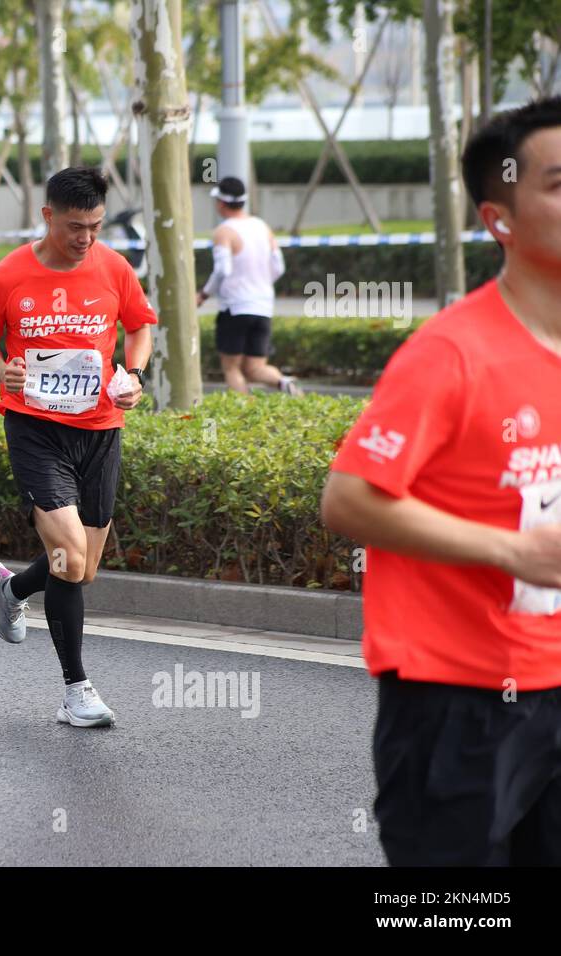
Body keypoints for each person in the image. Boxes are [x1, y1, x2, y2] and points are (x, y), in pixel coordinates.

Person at [321, 96, 561, 866]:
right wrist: (510, 550)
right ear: (500, 220)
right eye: (559, 182)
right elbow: (350, 498)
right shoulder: (451, 355)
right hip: (459, 700)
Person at [0, 166, 156, 728]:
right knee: (70, 558)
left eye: (96, 226)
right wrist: (5, 371)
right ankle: (77, 691)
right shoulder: (8, 275)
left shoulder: (114, 267)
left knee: (82, 567)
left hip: (100, 429)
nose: (86, 239)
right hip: (35, 429)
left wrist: (136, 374)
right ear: (47, 216)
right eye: (76, 227)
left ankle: (10, 586)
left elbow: (140, 325)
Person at [196, 176, 300, 396]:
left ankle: (244, 414)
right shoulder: (262, 226)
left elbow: (223, 270)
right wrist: (259, 284)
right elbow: (278, 267)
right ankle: (284, 383)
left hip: (235, 307)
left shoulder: (223, 232)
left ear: (221, 203)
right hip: (262, 306)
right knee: (255, 368)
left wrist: (203, 294)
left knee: (231, 368)